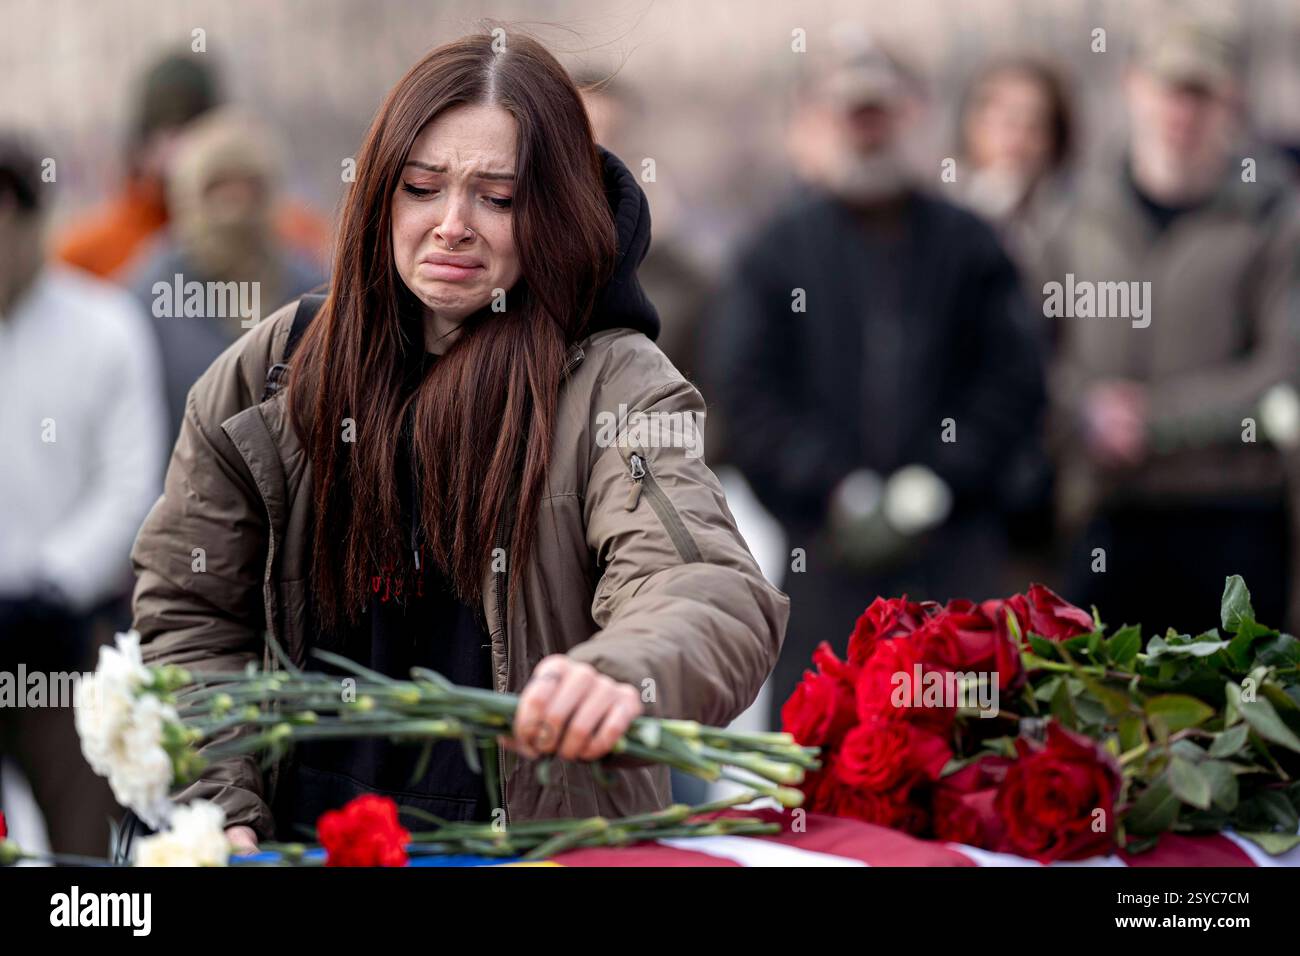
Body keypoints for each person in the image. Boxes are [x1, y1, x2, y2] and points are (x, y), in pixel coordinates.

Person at [130, 32, 788, 853]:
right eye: (422, 187)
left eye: (498, 197)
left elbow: (703, 581)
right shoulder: (269, 375)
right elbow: (189, 609)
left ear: (550, 209)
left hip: (533, 842)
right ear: (381, 195)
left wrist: (617, 673)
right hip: (300, 841)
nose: (452, 226)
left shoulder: (615, 382)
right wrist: (220, 799)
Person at [709, 35, 1045, 728]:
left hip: (955, 567)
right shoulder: (776, 251)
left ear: (912, 114)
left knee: (966, 751)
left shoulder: (971, 245)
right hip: (826, 566)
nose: (868, 129)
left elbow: (1014, 380)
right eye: (852, 113)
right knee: (821, 760)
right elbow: (743, 392)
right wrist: (835, 485)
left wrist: (940, 479)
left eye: (881, 112)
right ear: (823, 117)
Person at [1048, 21, 1300, 634]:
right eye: (1168, 90)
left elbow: (1285, 369)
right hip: (1104, 511)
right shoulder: (1074, 215)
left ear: (1229, 104)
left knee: (1227, 718)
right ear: (1134, 89)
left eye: (1201, 94)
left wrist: (1154, 422)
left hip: (1233, 516)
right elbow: (1029, 352)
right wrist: (1082, 410)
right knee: (1098, 715)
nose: (1181, 112)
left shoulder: (1270, 216)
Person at [0, 135, 167, 855]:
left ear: (33, 222)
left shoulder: (106, 328)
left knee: (82, 850)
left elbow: (132, 484)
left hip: (63, 642)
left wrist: (50, 585)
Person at [125, 109, 324, 446]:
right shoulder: (149, 294)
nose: (234, 207)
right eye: (217, 188)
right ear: (187, 196)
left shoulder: (311, 289)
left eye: (249, 188)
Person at [56, 52, 221, 280]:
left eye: (195, 135)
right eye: (167, 134)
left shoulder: (272, 243)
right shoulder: (83, 255)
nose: (181, 153)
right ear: (142, 144)